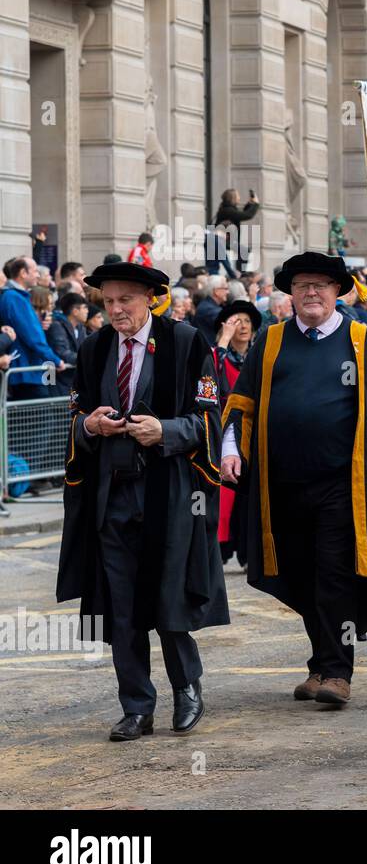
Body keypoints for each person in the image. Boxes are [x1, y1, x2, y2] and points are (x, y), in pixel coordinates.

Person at [219, 252, 367, 706]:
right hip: (281, 485)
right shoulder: (270, 342)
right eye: (303, 285)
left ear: (337, 292)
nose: (312, 292)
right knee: (299, 574)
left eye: (322, 285)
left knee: (334, 573)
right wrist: (232, 451)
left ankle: (336, 671)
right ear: (290, 294)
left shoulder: (360, 339)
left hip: (341, 485)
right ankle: (319, 662)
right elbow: (242, 403)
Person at [56, 261, 227, 741]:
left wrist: (165, 430)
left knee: (169, 596)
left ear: (150, 298)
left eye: (124, 300)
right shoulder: (92, 350)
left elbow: (211, 419)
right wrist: (90, 426)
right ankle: (136, 705)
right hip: (111, 495)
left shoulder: (187, 343)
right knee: (121, 604)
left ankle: (187, 688)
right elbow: (74, 416)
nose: (114, 310)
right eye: (107, 301)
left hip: (169, 494)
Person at [213, 299, 261, 567]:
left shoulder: (259, 353)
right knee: (226, 493)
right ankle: (221, 548)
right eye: (236, 321)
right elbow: (210, 377)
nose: (242, 326)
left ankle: (250, 551)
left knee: (252, 495)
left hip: (253, 431)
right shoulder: (216, 355)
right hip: (224, 432)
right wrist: (223, 341)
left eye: (246, 320)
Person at [0, 256, 66, 397]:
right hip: (27, 372)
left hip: (30, 371)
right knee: (41, 416)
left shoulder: (18, 296)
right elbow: (32, 337)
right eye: (35, 270)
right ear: (23, 273)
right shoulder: (14, 297)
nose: (37, 274)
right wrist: (56, 360)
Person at [208, 188, 259, 277]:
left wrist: (250, 204)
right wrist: (256, 204)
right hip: (224, 241)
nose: (239, 198)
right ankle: (240, 274)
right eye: (238, 196)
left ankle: (239, 273)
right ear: (233, 198)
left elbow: (242, 213)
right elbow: (247, 215)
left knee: (243, 251)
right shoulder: (228, 210)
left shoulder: (227, 209)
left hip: (226, 241)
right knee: (244, 251)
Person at [47, 292, 88, 395]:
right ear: (75, 311)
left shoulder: (81, 328)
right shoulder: (57, 326)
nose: (87, 311)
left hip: (74, 381)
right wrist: (85, 358)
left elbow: (87, 349)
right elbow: (62, 352)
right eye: (84, 308)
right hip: (59, 382)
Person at [193, 276, 230, 348]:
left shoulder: (210, 305)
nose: (228, 292)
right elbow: (229, 324)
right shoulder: (209, 309)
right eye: (226, 288)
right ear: (216, 291)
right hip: (209, 351)